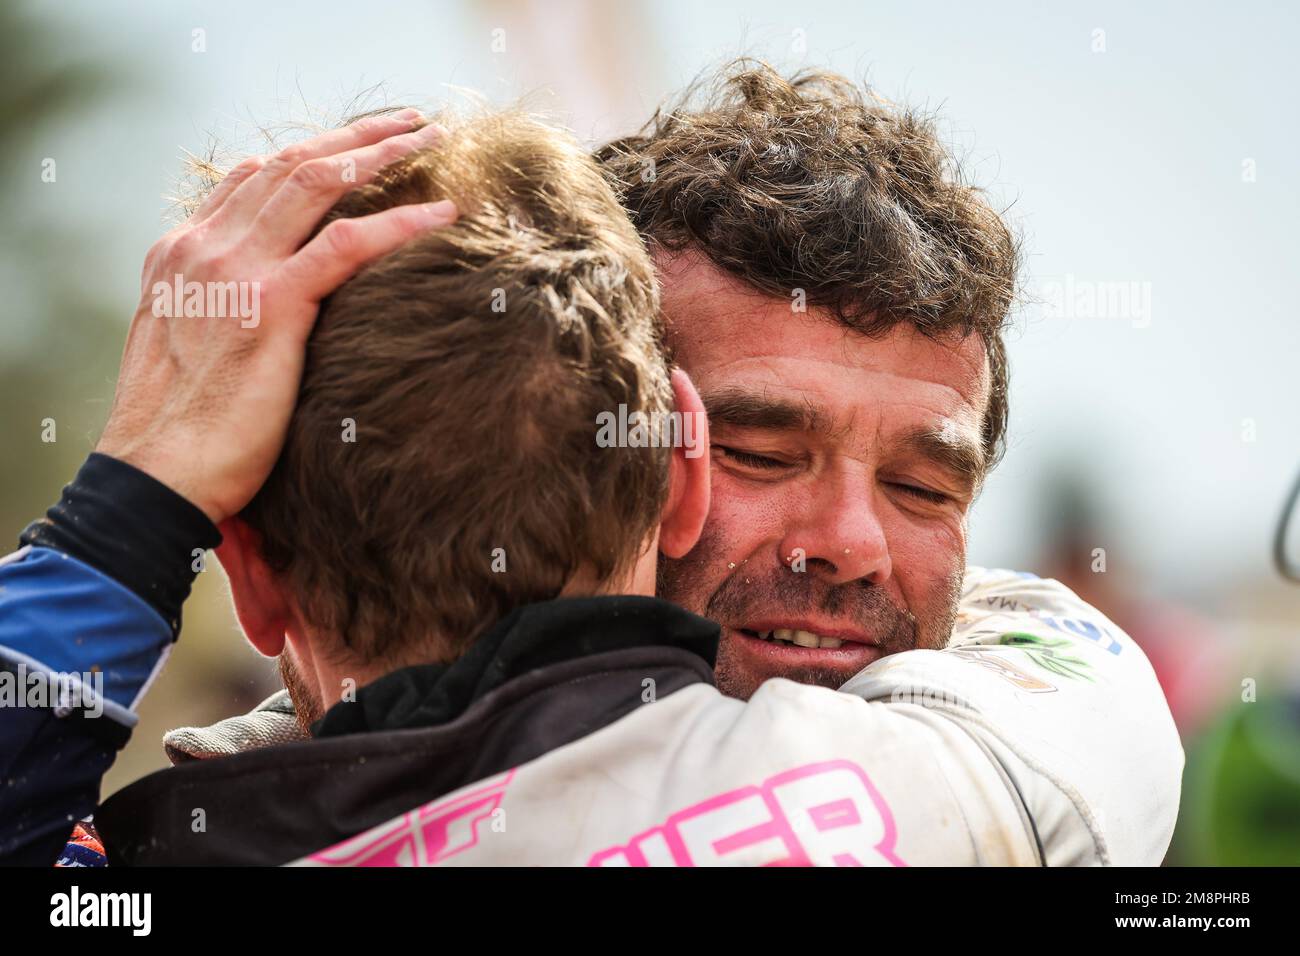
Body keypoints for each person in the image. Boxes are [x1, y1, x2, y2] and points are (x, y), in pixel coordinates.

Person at [1, 70, 1182, 868]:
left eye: (926, 487)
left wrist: (137, 498)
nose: (853, 542)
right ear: (633, 448)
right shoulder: (1025, 763)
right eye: (760, 451)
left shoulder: (155, 838)